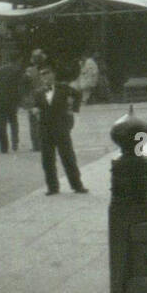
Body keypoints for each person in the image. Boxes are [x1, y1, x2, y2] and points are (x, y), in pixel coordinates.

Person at [33, 61, 87, 195]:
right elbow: (34, 105)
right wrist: (35, 110)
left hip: (61, 127)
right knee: (47, 159)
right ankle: (52, 187)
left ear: (53, 74)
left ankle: (77, 185)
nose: (45, 77)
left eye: (47, 73)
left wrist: (72, 109)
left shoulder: (63, 88)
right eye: (42, 75)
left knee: (68, 157)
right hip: (45, 128)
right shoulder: (38, 93)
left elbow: (78, 95)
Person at [0, 50, 30, 153]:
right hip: (12, 101)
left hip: (0, 101)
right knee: (13, 122)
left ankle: (3, 147)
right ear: (18, 60)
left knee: (1, 124)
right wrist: (20, 100)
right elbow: (20, 87)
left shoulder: (0, 70)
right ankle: (15, 143)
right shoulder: (18, 71)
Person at [22, 48, 50, 152]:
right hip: (45, 98)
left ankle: (36, 145)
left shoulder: (29, 71)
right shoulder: (48, 70)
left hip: (33, 98)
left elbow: (24, 85)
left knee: (33, 122)